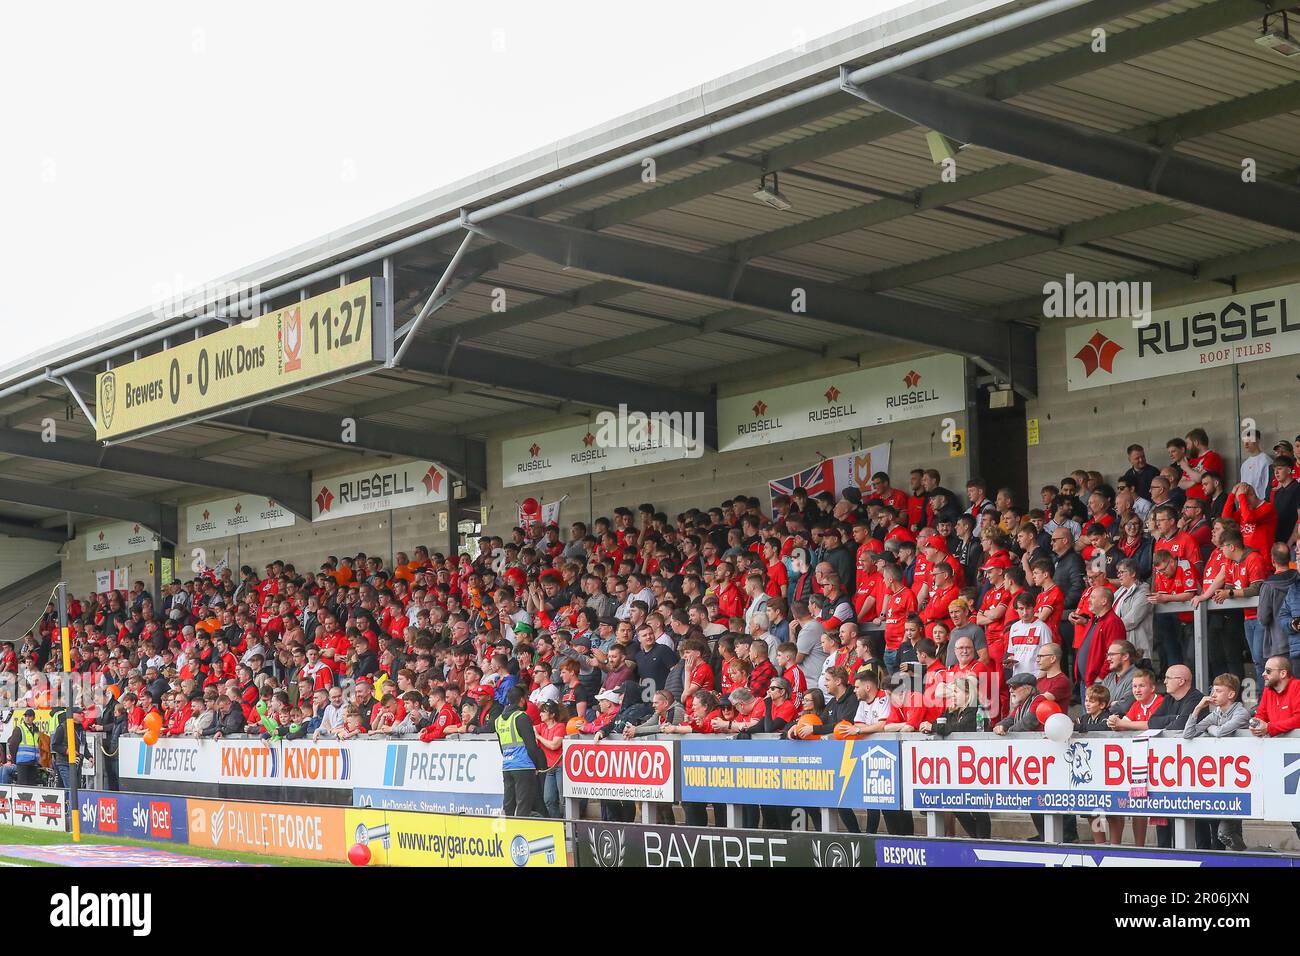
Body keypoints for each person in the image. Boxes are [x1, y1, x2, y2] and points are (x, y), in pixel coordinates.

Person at [1184, 673, 1251, 851]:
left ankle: (1246, 855)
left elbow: (1221, 732)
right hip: (1223, 775)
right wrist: (1198, 708)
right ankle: (1243, 856)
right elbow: (1188, 734)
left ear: (1231, 694)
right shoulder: (1217, 713)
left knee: (1225, 832)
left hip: (1242, 776)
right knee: (1229, 832)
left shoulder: (1241, 712)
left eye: (1219, 691)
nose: (1213, 694)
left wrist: (1210, 728)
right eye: (1213, 690)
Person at [495, 685, 545, 817]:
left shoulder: (498, 721)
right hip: (524, 766)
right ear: (522, 700)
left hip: (507, 766)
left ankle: (509, 828)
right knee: (524, 804)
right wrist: (537, 765)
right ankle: (521, 829)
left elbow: (501, 747)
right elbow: (531, 746)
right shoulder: (521, 717)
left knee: (509, 804)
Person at [534, 701, 567, 819]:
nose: (540, 714)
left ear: (552, 715)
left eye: (544, 712)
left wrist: (538, 737)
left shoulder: (560, 726)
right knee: (548, 799)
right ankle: (557, 823)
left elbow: (554, 745)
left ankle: (568, 824)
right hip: (550, 767)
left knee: (564, 799)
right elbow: (530, 728)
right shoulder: (542, 726)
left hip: (561, 766)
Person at [50, 708, 87, 790]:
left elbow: (84, 745)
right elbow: (54, 745)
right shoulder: (62, 728)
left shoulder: (81, 729)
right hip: (64, 763)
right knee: (71, 788)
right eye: (79, 713)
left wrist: (89, 757)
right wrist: (67, 751)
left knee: (76, 788)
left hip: (77, 763)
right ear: (72, 715)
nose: (82, 715)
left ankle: (67, 798)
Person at [6, 709, 41, 785]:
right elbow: (12, 745)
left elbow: (37, 745)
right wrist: (15, 759)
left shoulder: (36, 730)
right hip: (22, 762)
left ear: (34, 718)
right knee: (22, 784)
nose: (27, 718)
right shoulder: (19, 729)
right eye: (25, 716)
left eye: (29, 716)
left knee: (32, 784)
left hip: (34, 762)